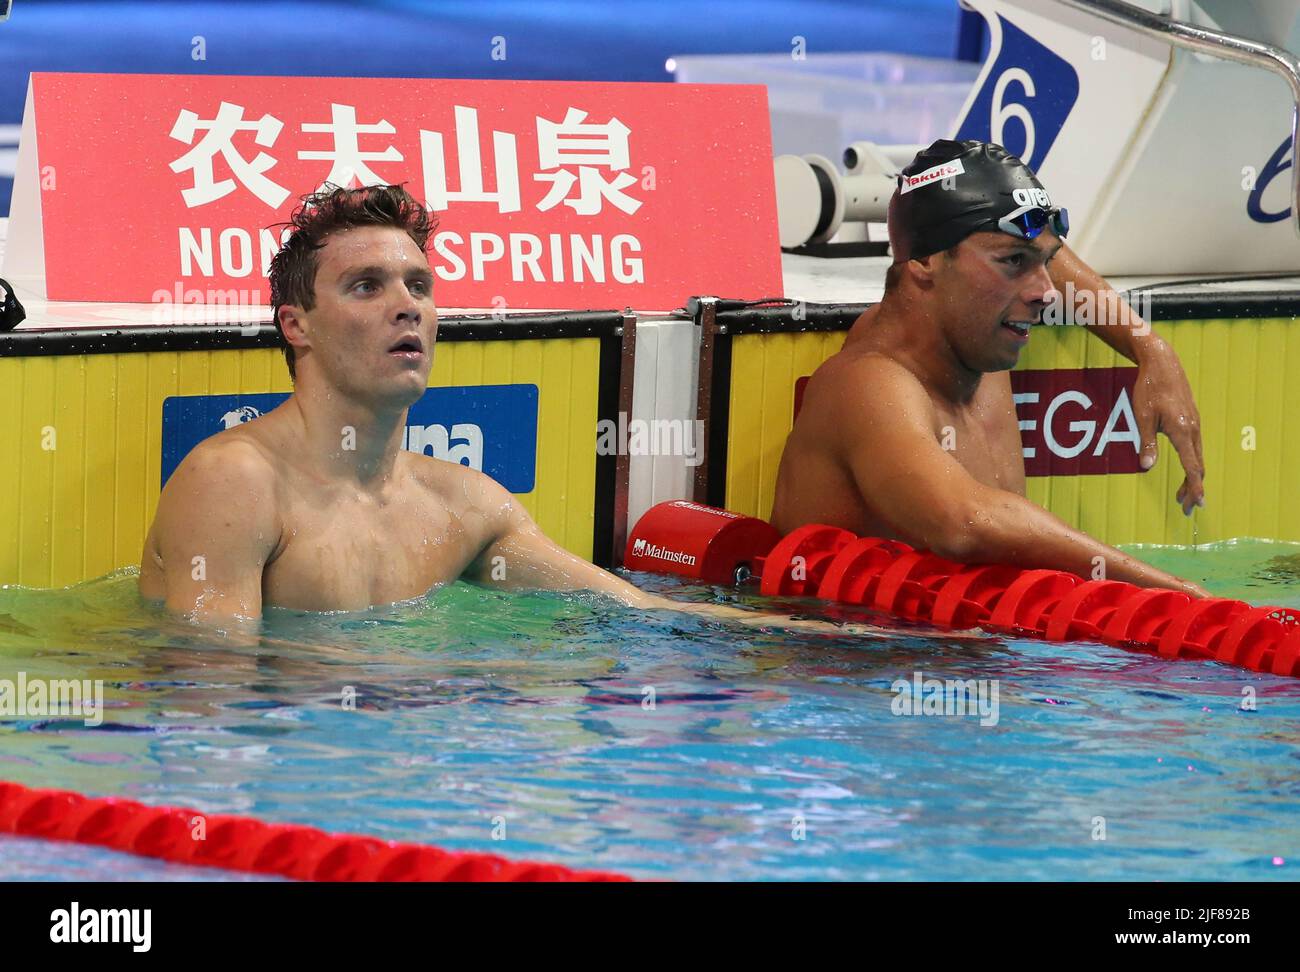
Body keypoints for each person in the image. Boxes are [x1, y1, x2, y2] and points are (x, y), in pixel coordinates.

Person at [138, 184, 881, 638]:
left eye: (419, 287)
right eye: (367, 286)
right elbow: (211, 704)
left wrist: (836, 644)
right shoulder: (235, 484)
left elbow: (639, 616)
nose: (407, 306)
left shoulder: (463, 508)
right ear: (296, 323)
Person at [770, 139, 1208, 596]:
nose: (1046, 292)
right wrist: (1177, 594)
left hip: (968, 645)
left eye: (1043, 262)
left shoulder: (976, 332)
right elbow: (964, 523)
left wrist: (1150, 347)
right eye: (1014, 262)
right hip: (852, 656)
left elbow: (1025, 245)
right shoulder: (867, 385)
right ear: (924, 261)